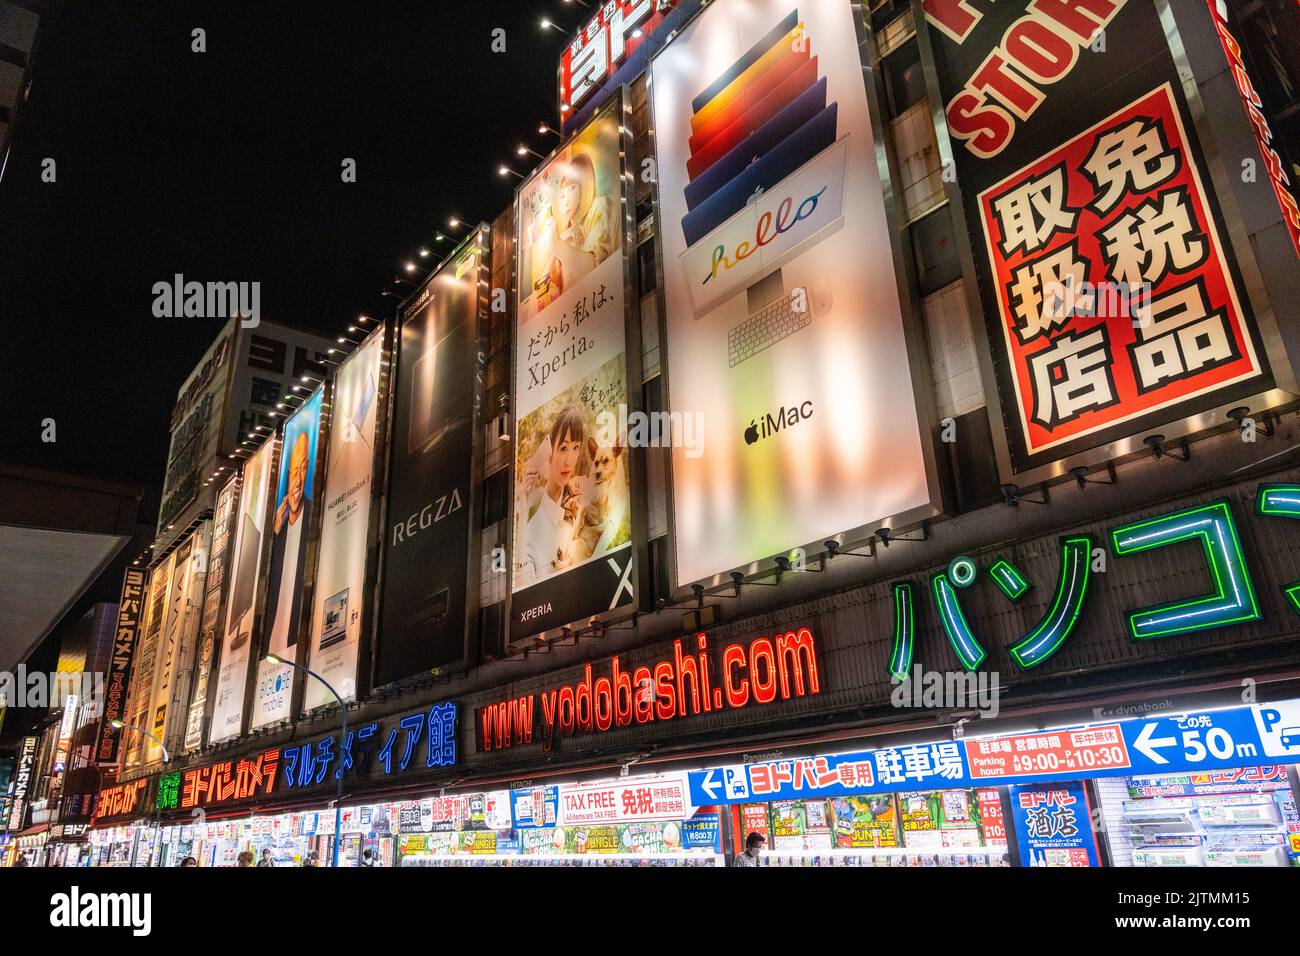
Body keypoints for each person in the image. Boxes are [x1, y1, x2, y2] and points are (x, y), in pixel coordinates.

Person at [515, 406, 587, 585]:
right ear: (549, 455)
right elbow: (522, 588)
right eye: (563, 448)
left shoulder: (580, 505)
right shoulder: (532, 530)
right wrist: (522, 511)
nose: (569, 460)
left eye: (575, 447)